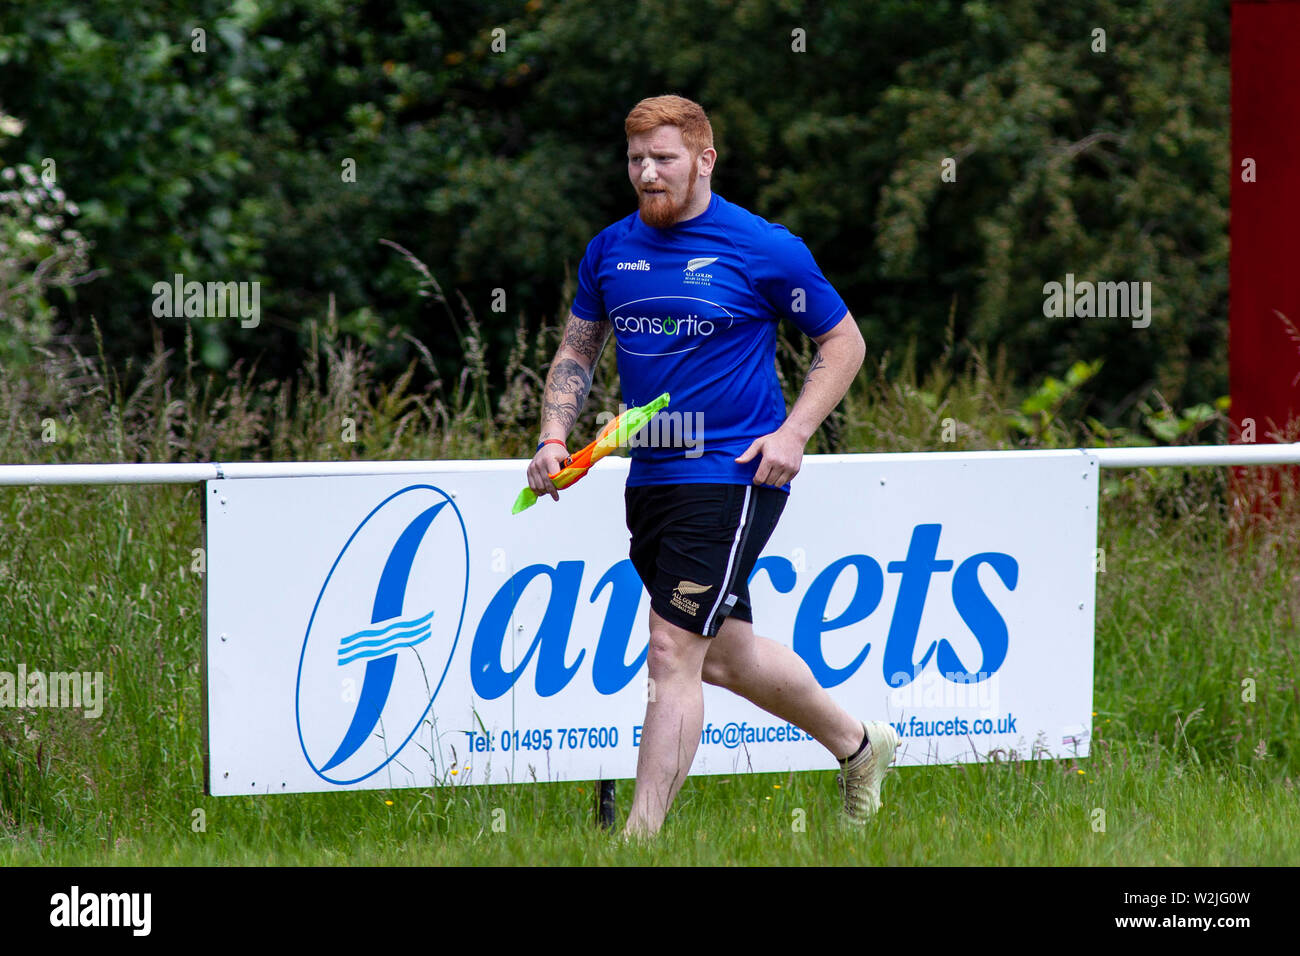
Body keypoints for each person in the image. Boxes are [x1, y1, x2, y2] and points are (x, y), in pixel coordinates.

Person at [526, 94, 899, 838]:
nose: (646, 173)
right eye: (635, 159)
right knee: (724, 655)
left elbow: (844, 344)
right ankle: (860, 745)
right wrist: (552, 435)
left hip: (733, 475)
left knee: (672, 650)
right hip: (650, 478)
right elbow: (579, 348)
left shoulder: (764, 247)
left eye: (662, 158)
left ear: (704, 159)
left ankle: (637, 841)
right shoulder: (610, 250)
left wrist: (794, 433)